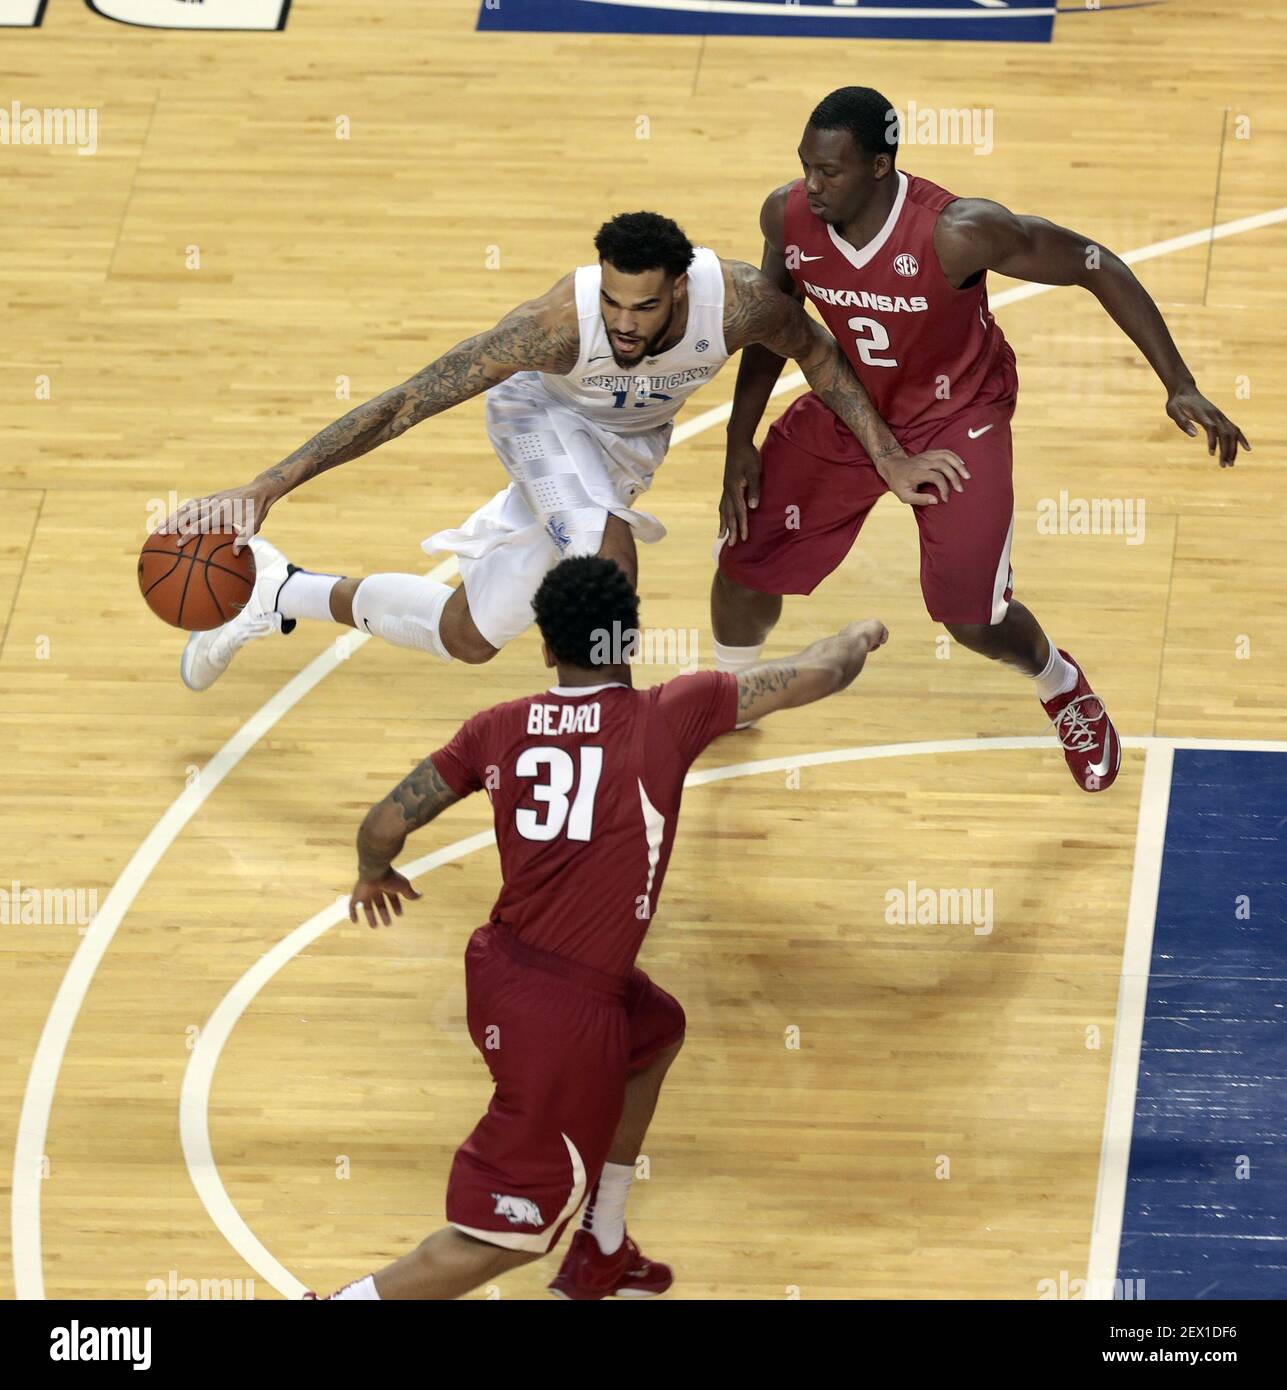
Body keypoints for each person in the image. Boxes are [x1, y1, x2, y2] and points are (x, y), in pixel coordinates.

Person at [313, 555, 888, 1300]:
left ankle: (603, 1246)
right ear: (630, 639)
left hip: (510, 966)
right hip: (560, 1015)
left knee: (656, 1034)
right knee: (505, 1236)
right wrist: (859, 632)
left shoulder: (494, 728)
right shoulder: (673, 710)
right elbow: (821, 672)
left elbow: (386, 821)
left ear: (547, 646)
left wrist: (372, 870)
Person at [712, 87, 1251, 792]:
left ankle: (1059, 684)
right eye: (806, 166)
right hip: (849, 408)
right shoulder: (785, 215)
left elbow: (1094, 263)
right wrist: (738, 439)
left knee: (971, 617)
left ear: (880, 167)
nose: (811, 185)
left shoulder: (956, 231)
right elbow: (776, 327)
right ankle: (724, 694)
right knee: (744, 560)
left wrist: (1176, 380)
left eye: (830, 172)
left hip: (955, 415)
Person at [165, 210, 946, 692]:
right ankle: (620, 742)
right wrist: (272, 482)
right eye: (611, 301)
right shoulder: (553, 326)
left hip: (625, 448)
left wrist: (888, 458)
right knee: (604, 546)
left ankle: (278, 590)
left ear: (679, 288)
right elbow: (407, 401)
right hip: (539, 419)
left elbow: (815, 351)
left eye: (642, 306)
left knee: (469, 636)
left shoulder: (739, 302)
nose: (624, 323)